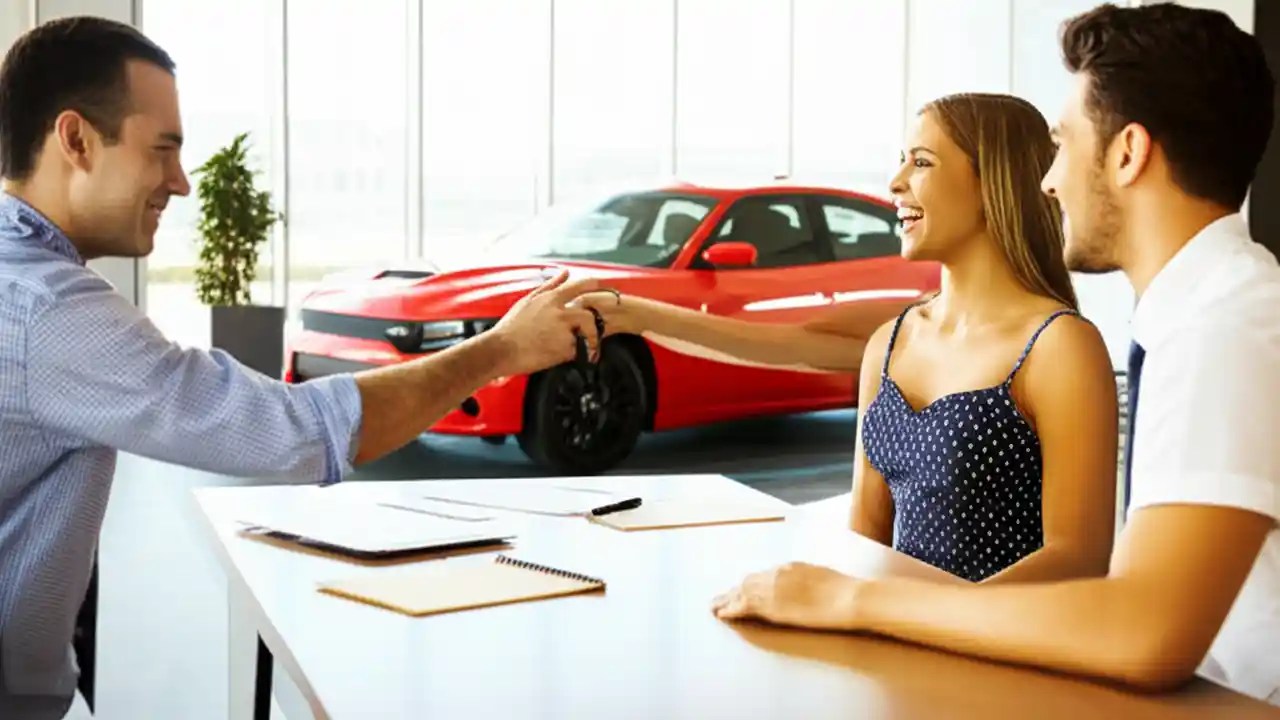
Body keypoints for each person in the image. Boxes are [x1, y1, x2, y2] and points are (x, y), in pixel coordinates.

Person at [0, 17, 600, 719]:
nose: (182, 182)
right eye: (161, 149)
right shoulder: (46, 312)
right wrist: (504, 349)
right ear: (74, 139)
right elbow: (293, 431)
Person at [712, 1, 1280, 705]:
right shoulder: (1205, 313)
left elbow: (1145, 631)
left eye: (1064, 145)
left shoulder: (1228, 324)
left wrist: (853, 604)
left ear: (1128, 153)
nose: (1047, 181)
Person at [581, 93, 1119, 585]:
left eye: (922, 162)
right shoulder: (891, 343)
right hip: (896, 656)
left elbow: (1077, 561)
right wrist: (633, 315)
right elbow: (865, 540)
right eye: (901, 159)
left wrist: (901, 615)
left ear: (991, 185)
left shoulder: (1059, 347)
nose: (896, 182)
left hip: (1005, 667)